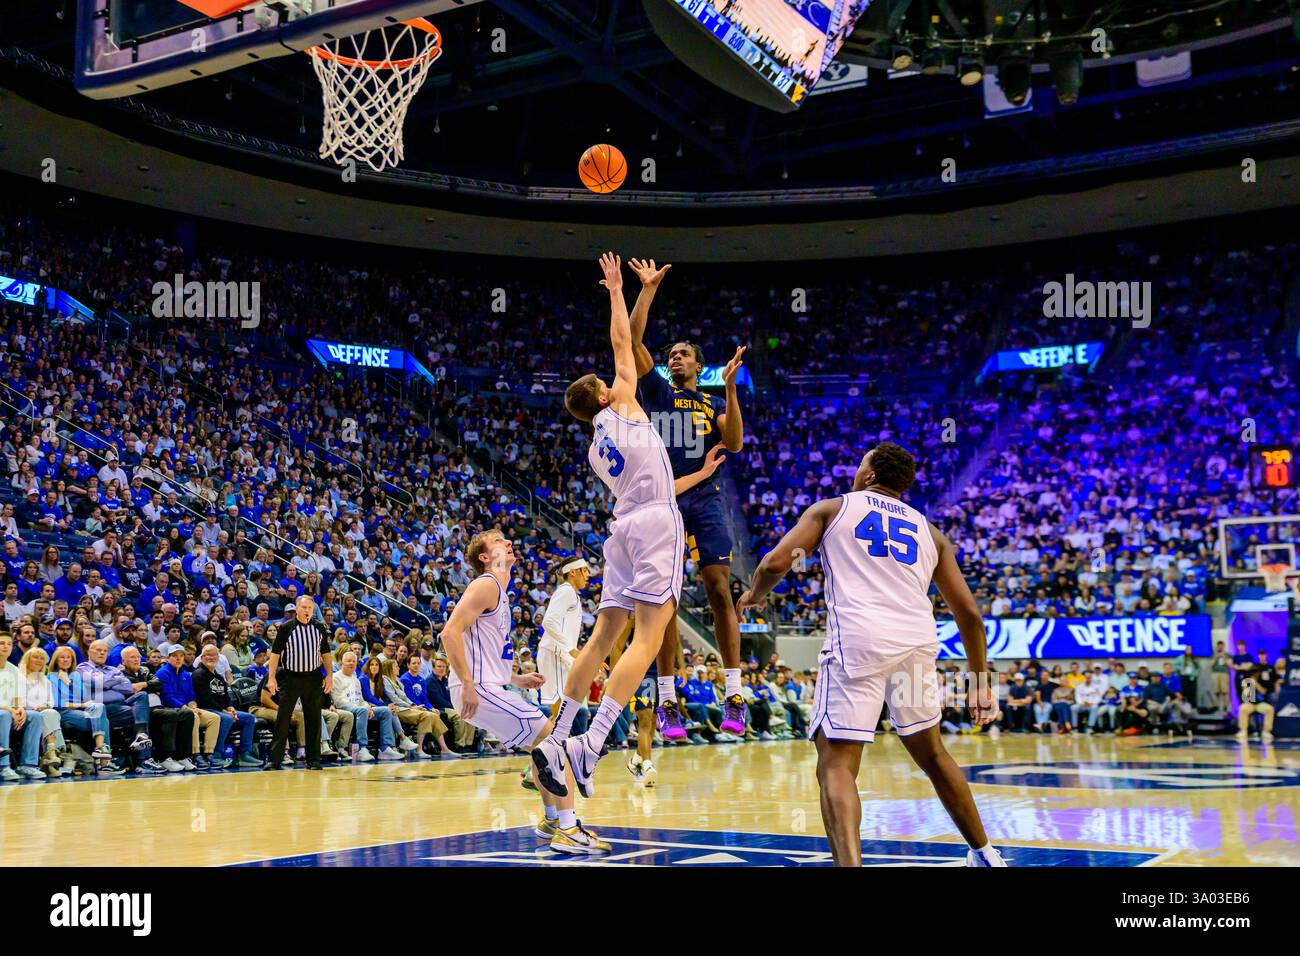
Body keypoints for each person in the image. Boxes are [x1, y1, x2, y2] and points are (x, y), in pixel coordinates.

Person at [735, 442, 1004, 867]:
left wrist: (754, 595)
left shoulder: (832, 508)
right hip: (916, 645)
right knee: (933, 754)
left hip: (858, 642)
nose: (856, 470)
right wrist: (981, 683)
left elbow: (774, 564)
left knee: (836, 763)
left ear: (871, 476)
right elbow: (969, 613)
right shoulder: (931, 533)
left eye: (861, 463)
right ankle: (985, 854)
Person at [533, 253, 726, 802]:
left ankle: (557, 739)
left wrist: (701, 475)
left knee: (602, 640)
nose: (612, 378)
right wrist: (620, 289)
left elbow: (653, 489)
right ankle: (590, 744)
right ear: (601, 395)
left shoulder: (597, 446)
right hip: (657, 526)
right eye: (605, 381)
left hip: (623, 530)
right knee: (650, 635)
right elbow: (624, 342)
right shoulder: (623, 407)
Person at [623, 256, 749, 739]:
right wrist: (648, 290)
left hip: (707, 498)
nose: (675, 358)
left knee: (719, 589)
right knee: (666, 600)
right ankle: (669, 700)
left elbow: (734, 444)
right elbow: (634, 341)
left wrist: (732, 390)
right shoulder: (655, 390)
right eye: (672, 353)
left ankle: (734, 692)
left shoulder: (713, 401)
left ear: (699, 366)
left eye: (684, 355)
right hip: (664, 501)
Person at [441, 528, 609, 854]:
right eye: (497, 541)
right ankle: (568, 828)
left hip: (488, 686)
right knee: (553, 741)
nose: (507, 542)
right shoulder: (486, 584)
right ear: (485, 557)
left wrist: (517, 679)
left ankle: (550, 821)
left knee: (541, 747)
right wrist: (469, 685)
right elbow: (450, 634)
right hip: (476, 689)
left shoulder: (500, 593)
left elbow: (487, 654)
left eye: (507, 538)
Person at [265, 595, 333, 770]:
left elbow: (325, 654)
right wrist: (271, 678)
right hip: (290, 677)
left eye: (310, 608)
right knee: (283, 718)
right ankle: (275, 759)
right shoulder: (286, 628)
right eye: (303, 607)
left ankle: (314, 760)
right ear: (297, 609)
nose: (307, 610)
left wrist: (330, 676)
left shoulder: (319, 627)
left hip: (313, 677)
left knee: (314, 719)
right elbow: (275, 655)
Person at [193, 645, 261, 768]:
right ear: (202, 657)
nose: (211, 657)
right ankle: (216, 755)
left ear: (218, 658)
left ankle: (245, 755)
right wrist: (224, 711)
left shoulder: (218, 677)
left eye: (214, 655)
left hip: (221, 710)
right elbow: (205, 699)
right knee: (226, 718)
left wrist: (231, 708)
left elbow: (227, 697)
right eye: (208, 654)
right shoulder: (198, 674)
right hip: (206, 710)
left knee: (248, 718)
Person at [158, 644, 223, 769]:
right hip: (170, 709)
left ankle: (209, 754)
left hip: (187, 708)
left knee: (214, 718)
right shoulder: (163, 673)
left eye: (181, 656)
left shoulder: (186, 675)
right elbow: (167, 697)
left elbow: (191, 696)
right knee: (193, 717)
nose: (178, 659)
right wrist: (188, 709)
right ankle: (195, 754)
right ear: (167, 658)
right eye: (175, 656)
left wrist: (193, 706)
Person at [537, 557, 589, 712]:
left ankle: (552, 737)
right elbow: (549, 622)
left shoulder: (572, 594)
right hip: (556, 654)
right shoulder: (566, 591)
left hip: (560, 655)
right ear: (573, 572)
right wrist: (571, 650)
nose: (588, 575)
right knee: (560, 713)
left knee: (564, 714)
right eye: (584, 570)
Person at [330, 650, 401, 761]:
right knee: (362, 711)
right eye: (348, 661)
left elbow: (361, 700)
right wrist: (362, 708)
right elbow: (337, 701)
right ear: (341, 663)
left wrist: (368, 707)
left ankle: (385, 748)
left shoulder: (356, 680)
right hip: (344, 708)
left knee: (385, 711)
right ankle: (361, 748)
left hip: (359, 708)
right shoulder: (335, 678)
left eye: (354, 661)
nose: (351, 663)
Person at [423, 657, 479, 752]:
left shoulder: (446, 681)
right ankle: (460, 744)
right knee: (459, 716)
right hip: (439, 708)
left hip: (449, 707)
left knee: (469, 714)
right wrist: (455, 707)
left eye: (443, 667)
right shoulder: (430, 681)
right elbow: (438, 700)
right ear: (433, 668)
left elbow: (451, 696)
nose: (441, 669)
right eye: (439, 666)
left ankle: (468, 744)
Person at [0, 632, 28, 781]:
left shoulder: (13, 670)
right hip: (4, 713)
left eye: (9, 644)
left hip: (9, 712)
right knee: (3, 715)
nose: (6, 647)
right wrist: (10, 710)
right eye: (2, 643)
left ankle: (29, 764)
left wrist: (20, 709)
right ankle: (3, 766)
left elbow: (18, 697)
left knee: (35, 717)